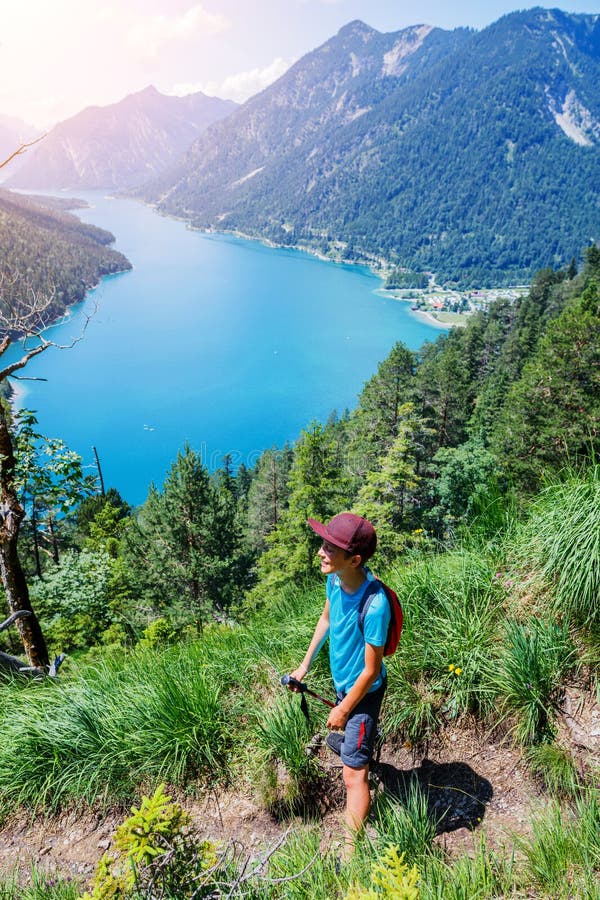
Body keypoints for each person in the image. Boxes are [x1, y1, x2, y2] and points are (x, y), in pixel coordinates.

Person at [288, 512, 390, 858]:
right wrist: (304, 666)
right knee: (352, 749)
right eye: (324, 544)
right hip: (343, 685)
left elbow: (372, 672)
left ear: (355, 560)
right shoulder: (335, 580)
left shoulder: (375, 605)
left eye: (330, 548)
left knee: (353, 774)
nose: (321, 552)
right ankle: (351, 741)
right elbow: (327, 618)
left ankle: (350, 854)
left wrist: (345, 709)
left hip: (363, 694)